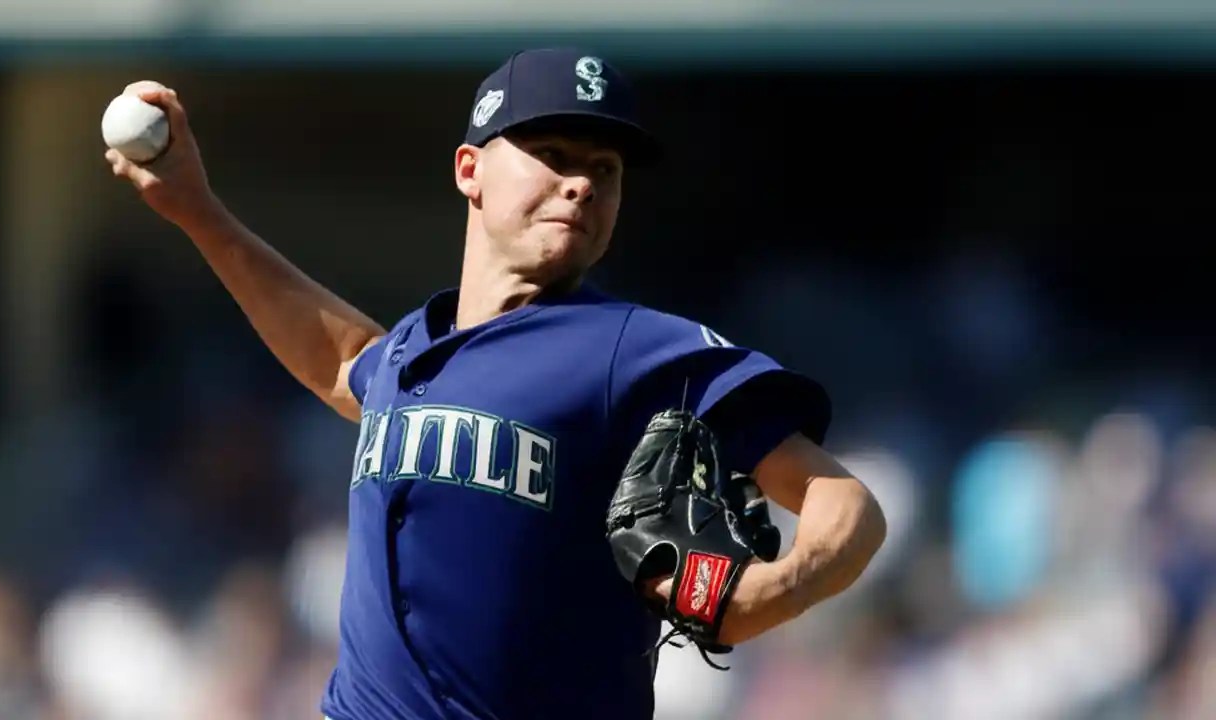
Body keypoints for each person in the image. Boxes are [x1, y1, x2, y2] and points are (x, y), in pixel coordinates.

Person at [104, 47, 887, 720]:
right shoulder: (413, 348)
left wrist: (778, 589)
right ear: (469, 170)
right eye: (553, 153)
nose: (581, 183)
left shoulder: (637, 351)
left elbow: (844, 501)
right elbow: (341, 360)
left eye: (604, 169)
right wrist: (198, 212)